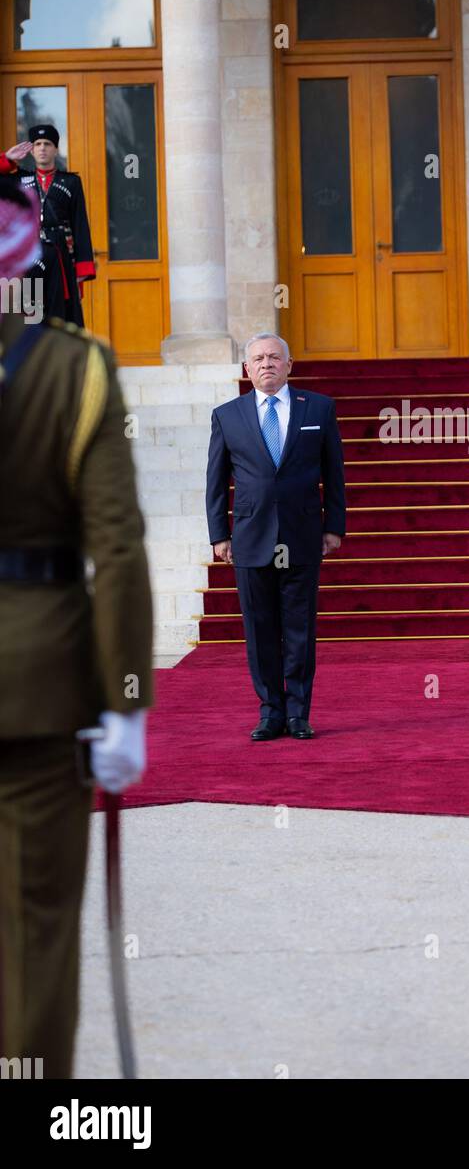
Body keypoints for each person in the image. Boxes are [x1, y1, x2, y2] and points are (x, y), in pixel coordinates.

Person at [0, 176, 151, 1079]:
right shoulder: (74, 367)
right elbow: (119, 552)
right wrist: (126, 697)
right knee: (33, 932)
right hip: (37, 689)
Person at [206, 332, 346, 741]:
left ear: (289, 365)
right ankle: (270, 712)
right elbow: (215, 481)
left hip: (302, 535)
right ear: (247, 369)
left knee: (300, 628)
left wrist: (333, 525)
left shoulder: (318, 408)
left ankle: (299, 713)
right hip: (250, 538)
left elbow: (333, 473)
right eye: (258, 359)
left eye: (274, 357)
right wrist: (219, 534)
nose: (266, 364)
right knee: (260, 629)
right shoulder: (227, 415)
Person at [0, 126, 95, 325]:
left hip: (61, 256)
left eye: (47, 144)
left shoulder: (71, 182)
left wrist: (81, 269)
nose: (42, 148)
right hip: (29, 255)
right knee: (28, 312)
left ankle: (60, 353)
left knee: (59, 313)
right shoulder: (18, 179)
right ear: (32, 150)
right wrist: (7, 159)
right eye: (37, 144)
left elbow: (80, 225)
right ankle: (28, 353)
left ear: (56, 149)